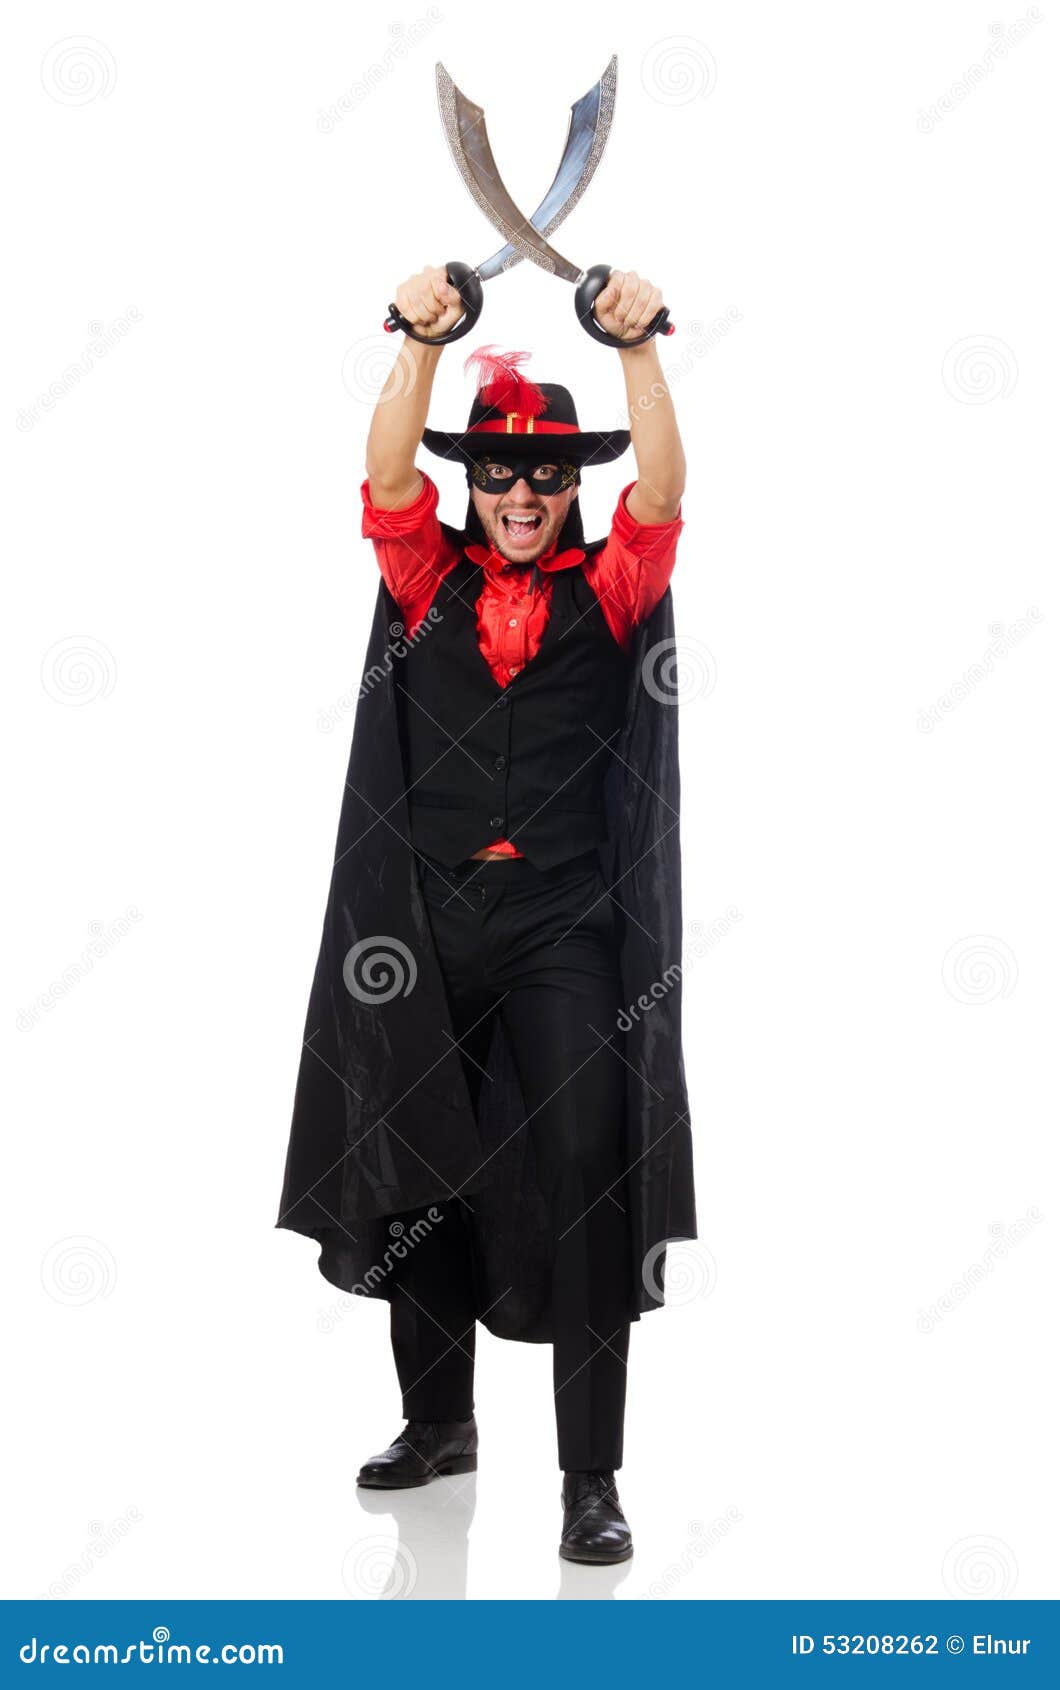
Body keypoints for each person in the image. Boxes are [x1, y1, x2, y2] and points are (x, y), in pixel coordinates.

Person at [276, 265, 696, 1565]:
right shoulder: (423, 576)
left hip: (567, 928)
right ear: (478, 485)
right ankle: (438, 1423)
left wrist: (638, 344)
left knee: (581, 1169)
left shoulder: (614, 586)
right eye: (504, 476)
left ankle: (589, 1477)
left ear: (571, 486)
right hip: (428, 921)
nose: (523, 495)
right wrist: (415, 334)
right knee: (414, 1170)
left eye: (548, 476)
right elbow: (386, 472)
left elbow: (666, 491)